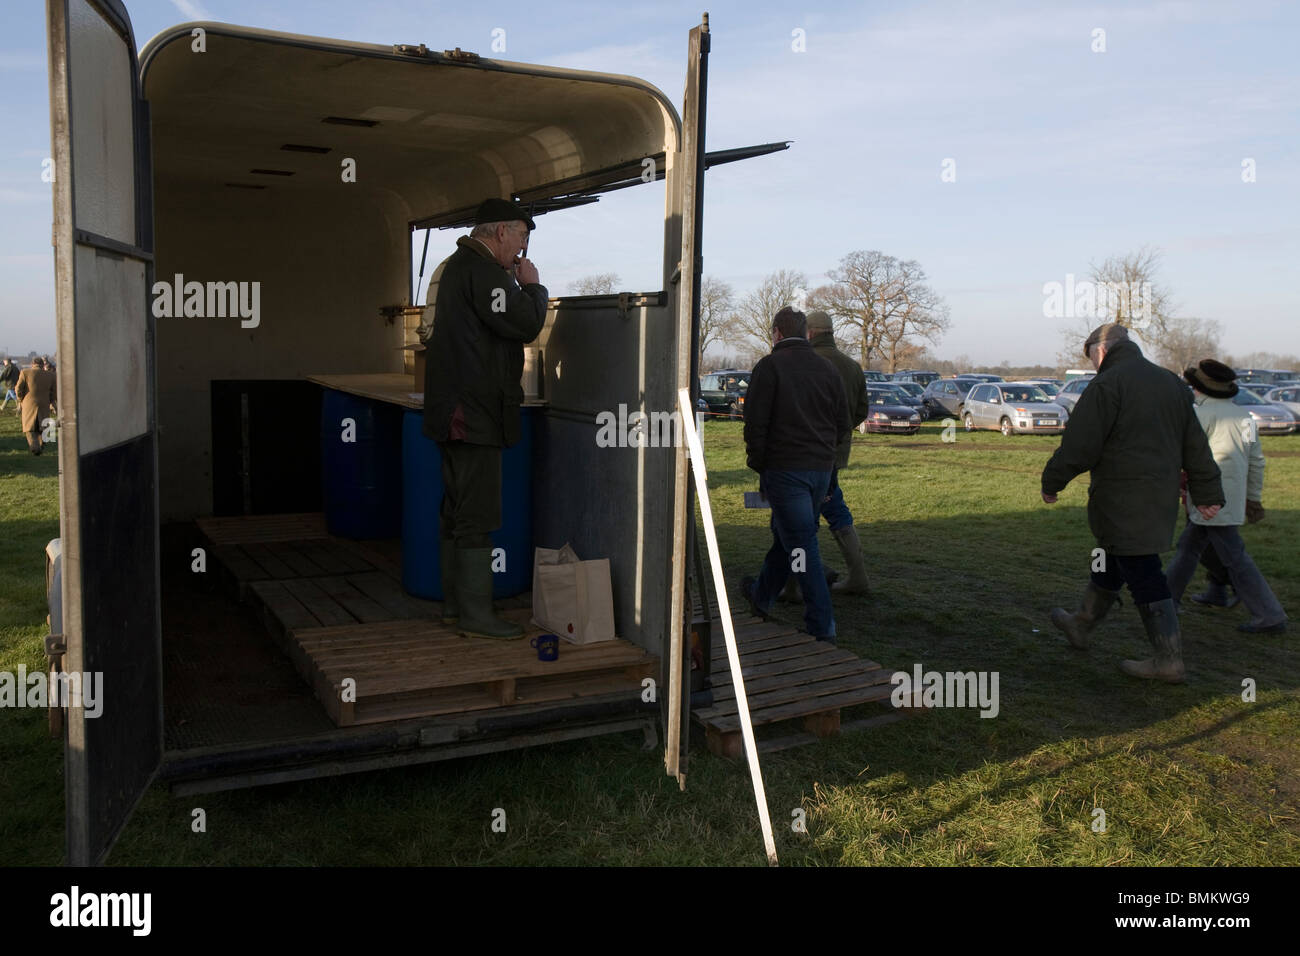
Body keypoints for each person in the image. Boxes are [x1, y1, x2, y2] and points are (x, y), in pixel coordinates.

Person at [1041, 323, 1224, 683]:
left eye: (1092, 356)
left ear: (1101, 350)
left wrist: (1052, 481)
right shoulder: (1171, 382)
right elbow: (1195, 444)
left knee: (1142, 568)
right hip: (1157, 496)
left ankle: (1168, 659)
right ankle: (1082, 624)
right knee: (1114, 555)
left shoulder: (1107, 384)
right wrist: (1208, 492)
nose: (1094, 364)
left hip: (1122, 497)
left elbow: (1080, 446)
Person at [423, 198, 547, 640]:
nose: (522, 249)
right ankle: (476, 615)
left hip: (452, 412)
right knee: (475, 513)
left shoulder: (456, 267)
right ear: (500, 233)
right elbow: (523, 324)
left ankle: (456, 609)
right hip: (472, 414)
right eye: (521, 237)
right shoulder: (484, 273)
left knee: (455, 511)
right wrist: (532, 287)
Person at [740, 307, 851, 642]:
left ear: (776, 333)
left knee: (802, 549)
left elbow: (755, 425)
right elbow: (844, 424)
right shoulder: (828, 370)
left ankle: (822, 626)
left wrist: (761, 467)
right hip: (819, 472)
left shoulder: (769, 367)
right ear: (805, 334)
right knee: (788, 536)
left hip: (785, 472)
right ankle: (761, 596)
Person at [1165, 360, 1286, 634]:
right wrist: (1252, 498)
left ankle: (1270, 614)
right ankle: (1205, 594)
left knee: (1229, 556)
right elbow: (1256, 461)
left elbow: (1186, 458)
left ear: (1198, 388)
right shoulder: (1243, 417)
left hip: (1208, 498)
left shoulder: (1198, 415)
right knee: (1193, 546)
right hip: (1228, 498)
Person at [777, 309, 870, 601]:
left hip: (804, 456)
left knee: (799, 520)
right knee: (834, 510)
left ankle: (795, 585)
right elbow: (861, 411)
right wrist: (839, 435)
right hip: (835, 456)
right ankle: (857, 575)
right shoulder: (852, 366)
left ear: (810, 333)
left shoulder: (806, 363)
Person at [16, 357, 57, 455]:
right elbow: (54, 391)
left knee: (29, 428)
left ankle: (35, 447)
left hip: (28, 403)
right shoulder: (50, 375)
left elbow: (18, 388)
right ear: (43, 365)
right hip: (44, 403)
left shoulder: (25, 372)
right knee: (43, 425)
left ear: (32, 364)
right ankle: (41, 443)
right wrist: (50, 400)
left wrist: (21, 399)